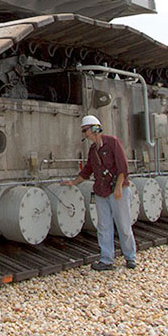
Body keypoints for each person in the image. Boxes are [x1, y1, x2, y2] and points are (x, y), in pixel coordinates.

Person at [62, 115, 136, 270]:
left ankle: (130, 257)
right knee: (103, 226)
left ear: (94, 128)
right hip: (101, 191)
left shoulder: (113, 142)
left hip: (117, 190)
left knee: (123, 225)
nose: (84, 134)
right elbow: (88, 170)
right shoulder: (92, 150)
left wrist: (118, 187)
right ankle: (106, 259)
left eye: (85, 130)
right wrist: (73, 182)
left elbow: (123, 167)